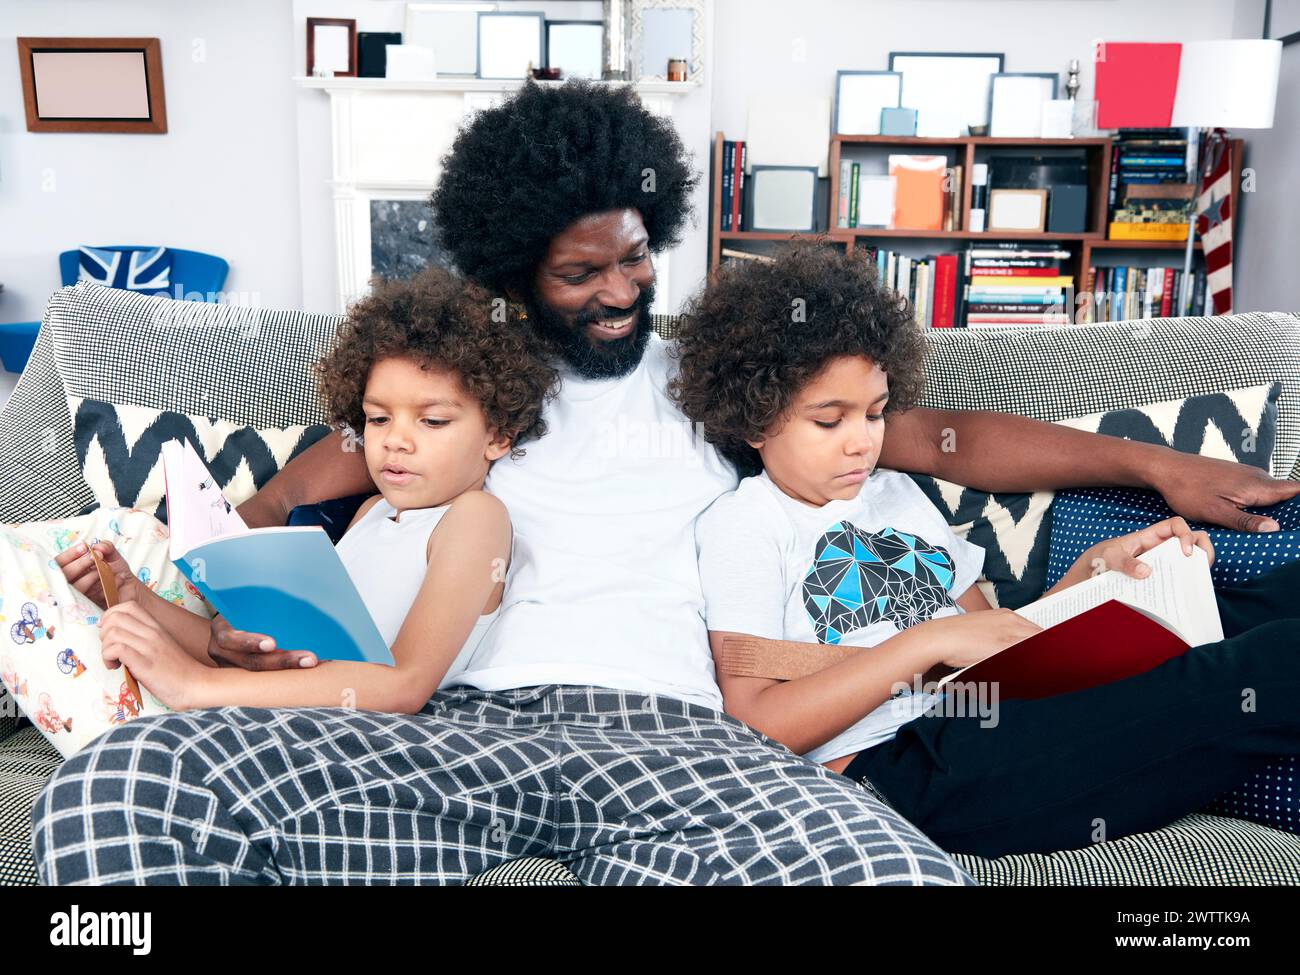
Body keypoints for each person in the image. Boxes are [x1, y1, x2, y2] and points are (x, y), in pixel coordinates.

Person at [34, 81, 1300, 886]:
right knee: (120, 789)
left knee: (896, 880)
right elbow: (273, 516)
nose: (619, 291)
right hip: (448, 737)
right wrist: (155, 566)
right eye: (579, 273)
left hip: (683, 743)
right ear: (511, 265)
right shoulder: (440, 404)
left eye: (633, 259)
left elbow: (943, 443)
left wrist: (1149, 462)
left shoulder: (714, 382)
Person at [679, 242, 1300, 858]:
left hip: (997, 706)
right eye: (828, 421)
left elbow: (995, 642)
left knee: (1272, 598)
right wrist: (923, 644)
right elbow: (758, 722)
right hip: (905, 768)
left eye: (874, 414)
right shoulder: (746, 524)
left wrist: (1097, 573)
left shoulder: (896, 493)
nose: (861, 444)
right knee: (1269, 663)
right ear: (756, 420)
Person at [57, 268, 556, 717]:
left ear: (497, 435)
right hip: (278, 709)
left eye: (432, 421)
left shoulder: (475, 517)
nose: (395, 440)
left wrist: (198, 686)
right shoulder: (370, 513)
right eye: (378, 418)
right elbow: (271, 655)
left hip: (355, 737)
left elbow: (404, 685)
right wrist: (133, 598)